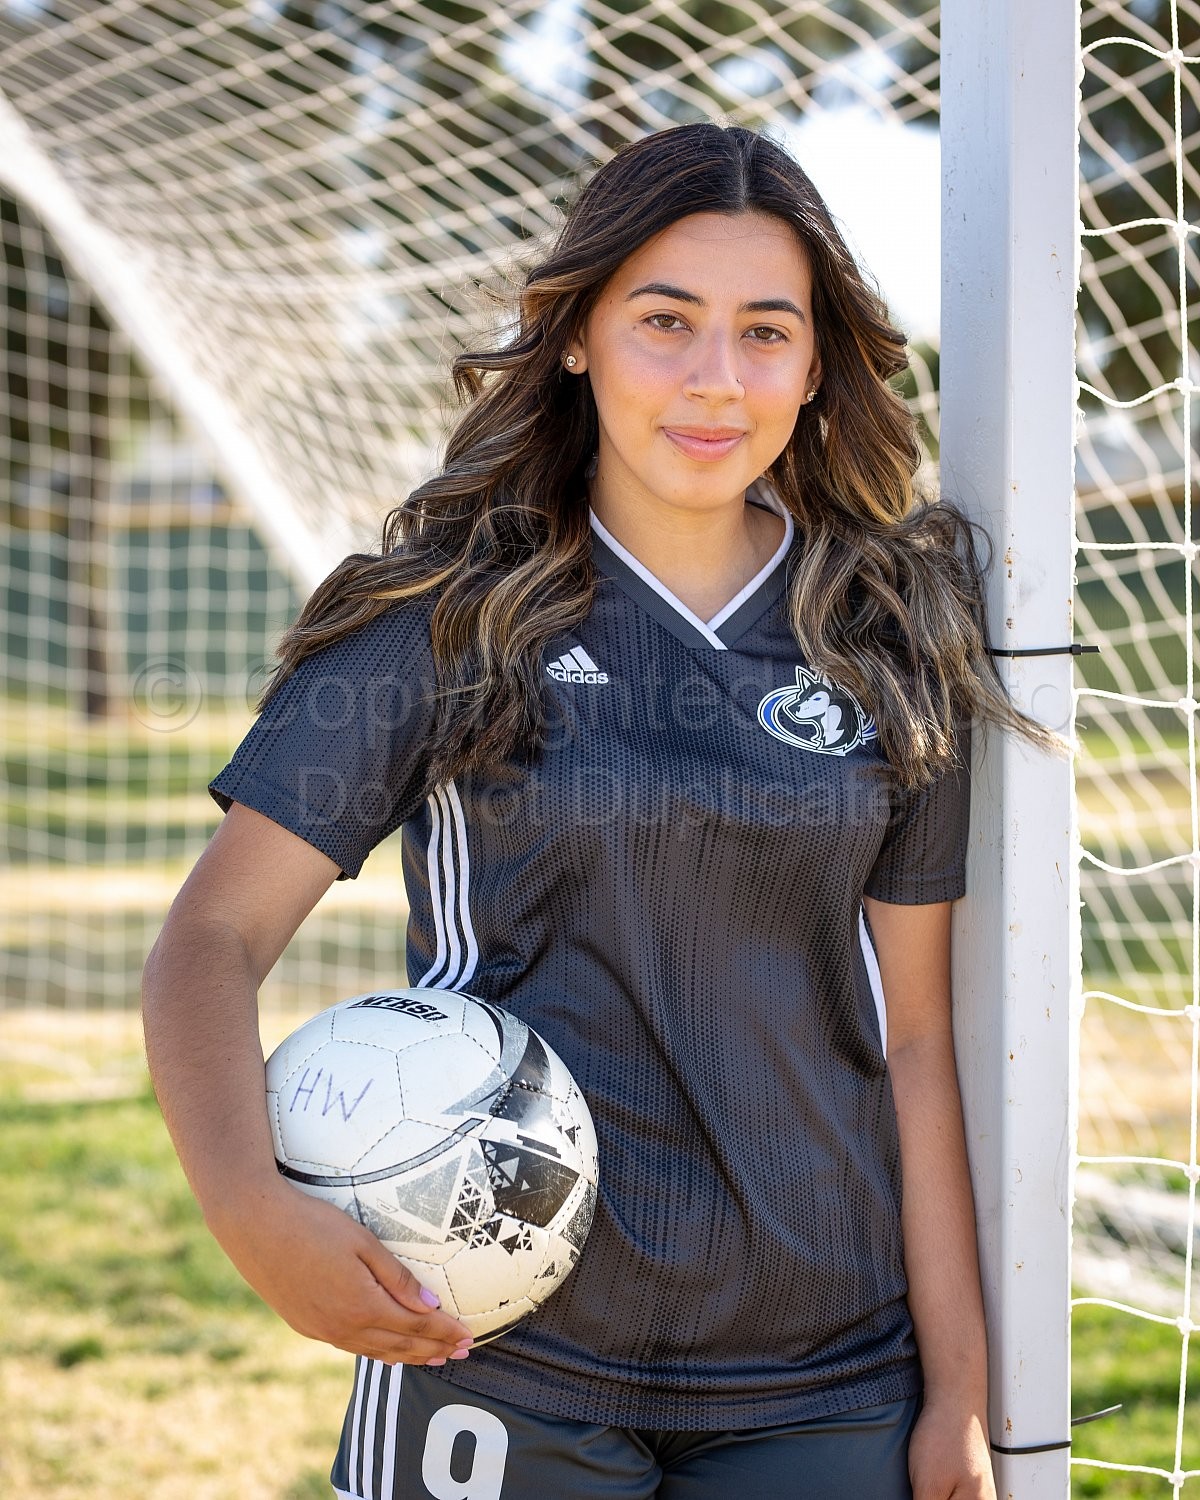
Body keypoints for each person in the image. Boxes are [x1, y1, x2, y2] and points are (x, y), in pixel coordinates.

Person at [143, 123, 1046, 1499]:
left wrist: (959, 1392)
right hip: (497, 1362)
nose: (713, 378)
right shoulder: (450, 622)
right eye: (665, 321)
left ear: (814, 367)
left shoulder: (884, 639)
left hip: (828, 1376)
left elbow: (916, 1042)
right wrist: (252, 1212)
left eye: (763, 332)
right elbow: (208, 942)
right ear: (576, 338)